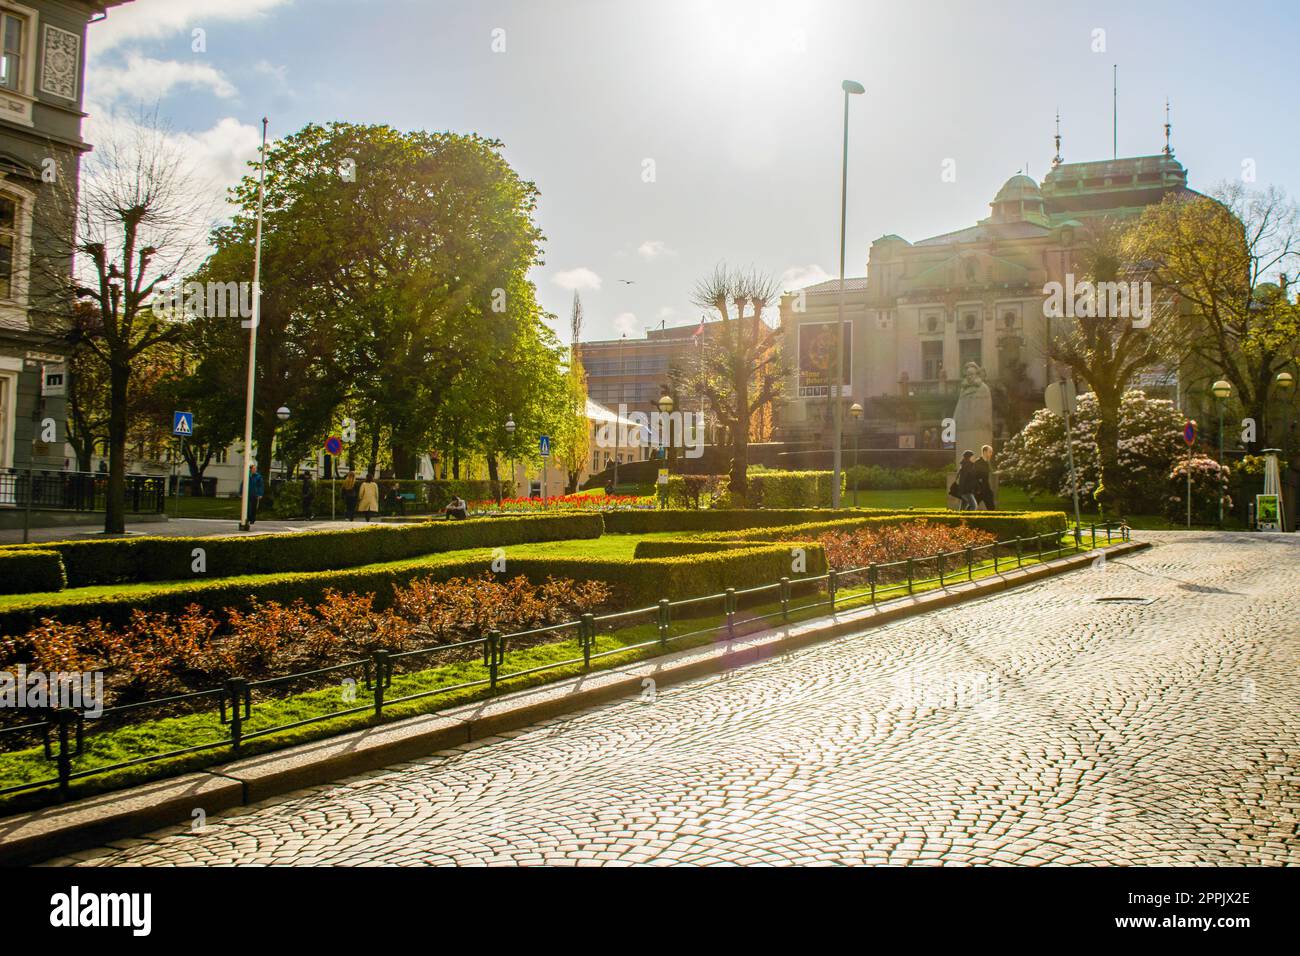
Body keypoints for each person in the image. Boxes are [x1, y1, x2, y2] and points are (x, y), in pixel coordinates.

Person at [974, 444, 997, 510]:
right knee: (972, 507)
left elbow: (990, 472)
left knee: (991, 508)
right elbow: (974, 476)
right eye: (990, 452)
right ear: (984, 452)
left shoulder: (987, 462)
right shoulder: (977, 462)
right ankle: (963, 518)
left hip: (986, 489)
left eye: (991, 452)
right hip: (979, 490)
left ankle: (993, 519)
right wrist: (977, 488)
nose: (991, 454)